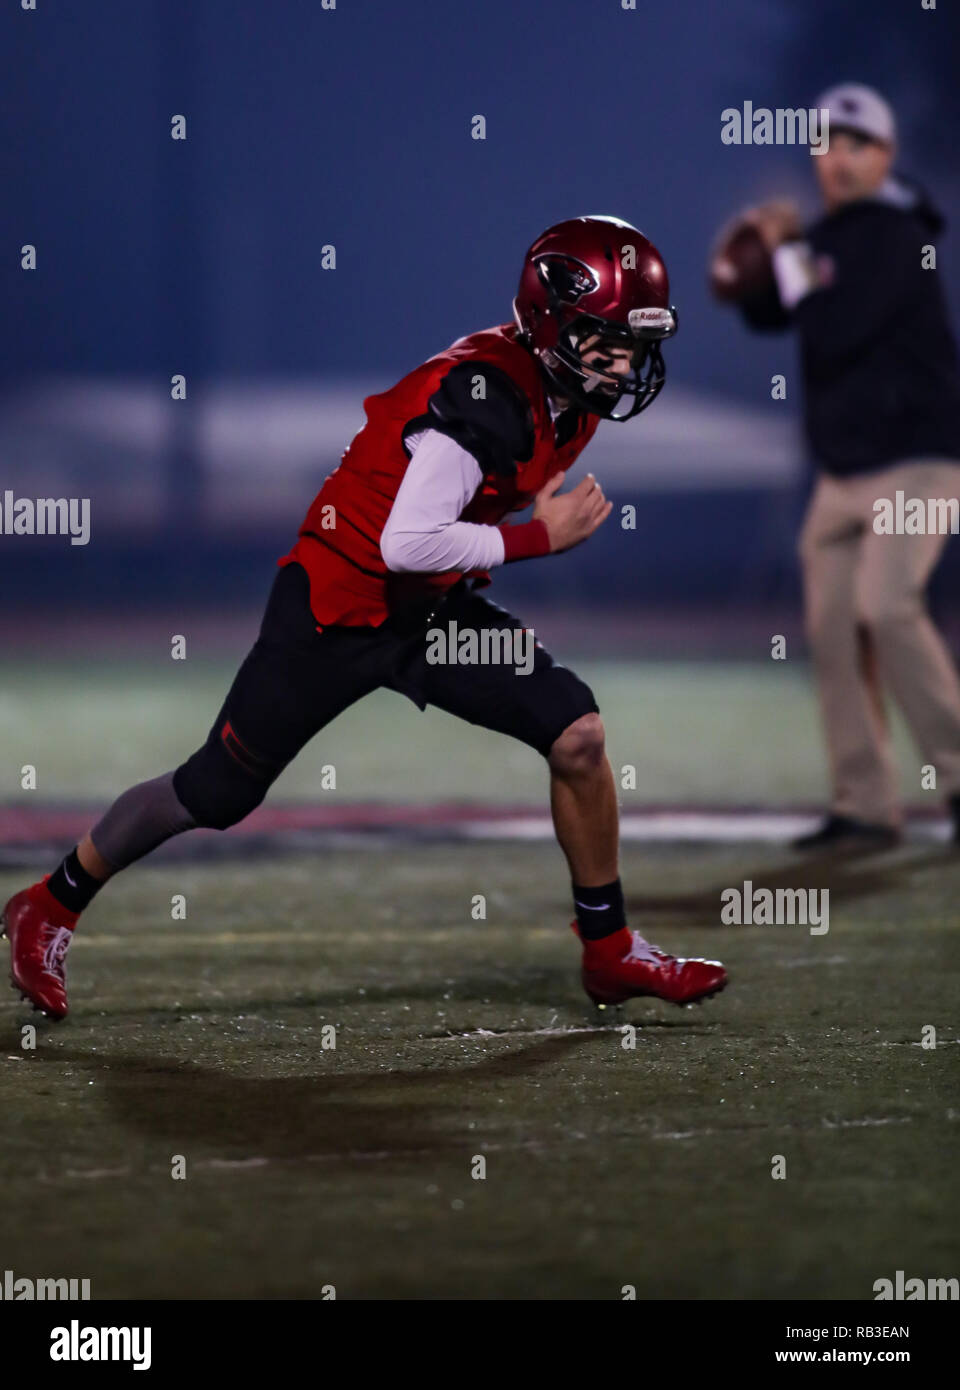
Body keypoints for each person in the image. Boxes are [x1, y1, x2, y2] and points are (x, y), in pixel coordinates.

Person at [3, 215, 727, 1021]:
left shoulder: (569, 394)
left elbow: (435, 548)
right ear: (553, 320)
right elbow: (407, 541)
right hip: (338, 607)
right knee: (214, 791)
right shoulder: (485, 395)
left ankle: (608, 950)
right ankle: (50, 900)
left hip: (428, 612)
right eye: (608, 340)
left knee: (578, 735)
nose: (625, 363)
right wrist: (535, 538)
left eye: (635, 343)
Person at [717, 84, 960, 849]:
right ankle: (864, 804)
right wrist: (753, 265)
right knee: (830, 628)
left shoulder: (895, 233)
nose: (838, 157)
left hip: (915, 460)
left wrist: (785, 253)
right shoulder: (827, 241)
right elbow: (775, 314)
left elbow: (836, 326)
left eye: (856, 143)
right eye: (825, 142)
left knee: (888, 607)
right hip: (843, 469)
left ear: (886, 155)